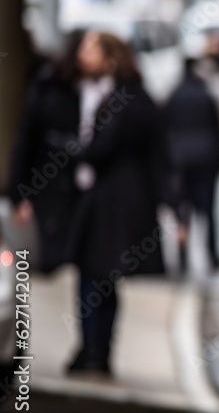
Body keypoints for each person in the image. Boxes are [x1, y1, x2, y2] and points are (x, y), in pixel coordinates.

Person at [66, 31, 168, 375]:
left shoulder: (120, 101)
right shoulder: (135, 97)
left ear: (110, 58)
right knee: (105, 280)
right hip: (123, 204)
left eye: (90, 49)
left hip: (108, 204)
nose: (82, 55)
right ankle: (99, 350)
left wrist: (69, 149)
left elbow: (101, 149)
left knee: (94, 278)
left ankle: (94, 350)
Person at [6, 33, 84, 273]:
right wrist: (19, 195)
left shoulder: (98, 91)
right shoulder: (48, 87)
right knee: (41, 263)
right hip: (49, 190)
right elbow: (26, 142)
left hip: (77, 192)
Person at [164, 58, 219, 273]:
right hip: (205, 160)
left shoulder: (174, 96)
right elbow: (218, 131)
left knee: (183, 210)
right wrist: (218, 163)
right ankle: (212, 254)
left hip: (181, 161)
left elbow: (164, 129)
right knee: (208, 211)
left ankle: (182, 254)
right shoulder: (206, 95)